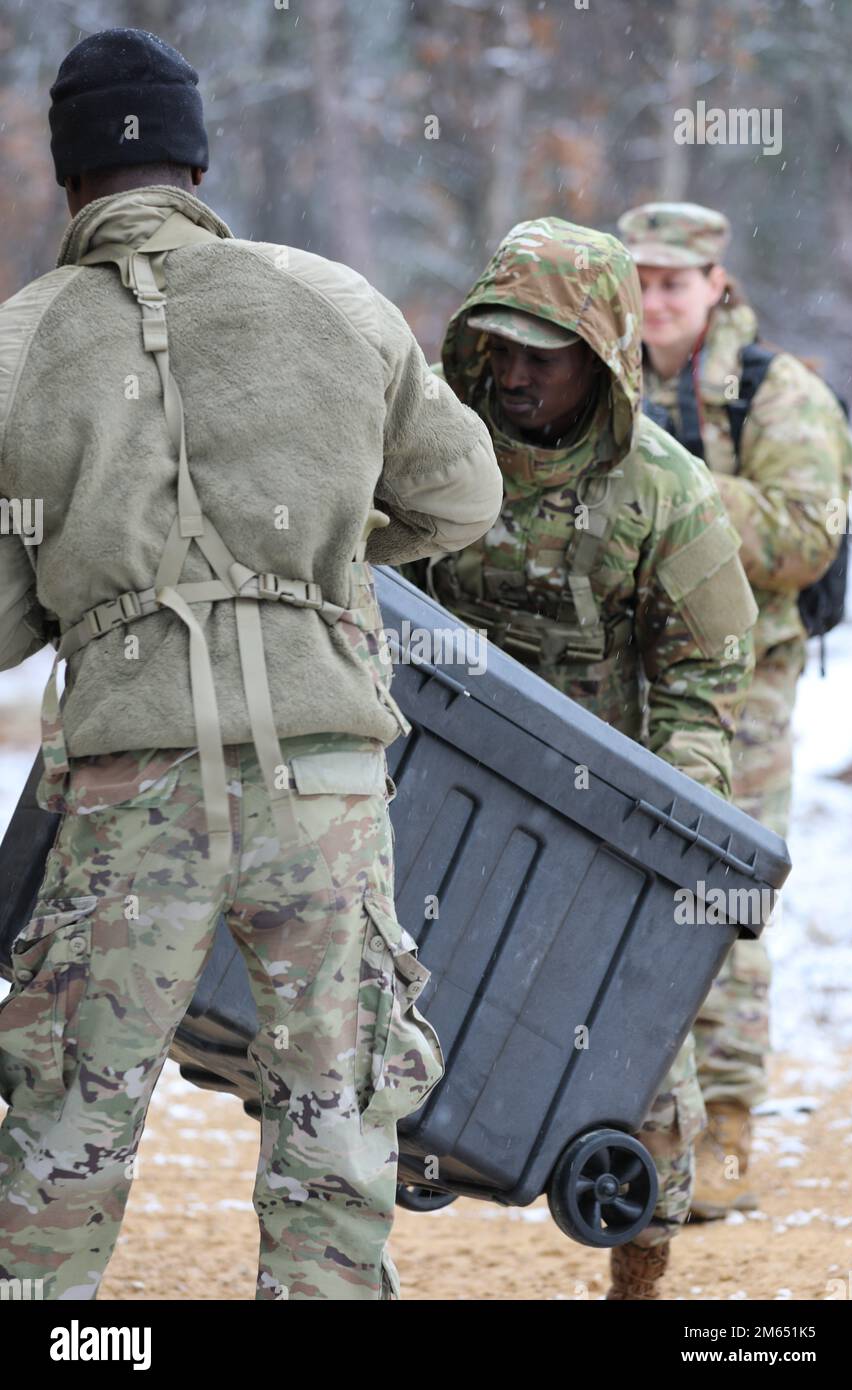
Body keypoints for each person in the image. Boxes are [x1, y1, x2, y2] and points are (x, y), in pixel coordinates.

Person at [0, 27, 503, 1301]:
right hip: (322, 791)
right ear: (197, 161)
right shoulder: (334, 300)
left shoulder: (18, 346)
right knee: (333, 1120)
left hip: (130, 796)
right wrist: (314, 563)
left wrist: (102, 588)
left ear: (68, 175)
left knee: (68, 1123)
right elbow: (462, 497)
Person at [401, 215, 758, 1298]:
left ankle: (637, 1280)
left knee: (639, 1075)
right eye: (498, 349)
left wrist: (674, 823)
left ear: (600, 356)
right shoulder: (431, 445)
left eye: (542, 356)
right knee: (356, 1041)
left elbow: (706, 675)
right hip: (439, 791)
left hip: (603, 818)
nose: (513, 375)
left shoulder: (665, 492)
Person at [617, 201, 852, 1219]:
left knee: (721, 901)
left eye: (674, 282)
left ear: (716, 285)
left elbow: (806, 533)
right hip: (624, 677)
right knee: (619, 896)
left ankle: (724, 1128)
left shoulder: (775, 391)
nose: (655, 300)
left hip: (742, 686)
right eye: (639, 280)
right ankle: (630, 1116)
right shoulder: (599, 376)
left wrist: (673, 490)